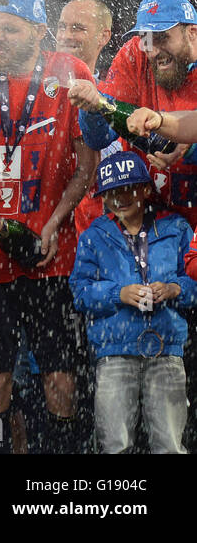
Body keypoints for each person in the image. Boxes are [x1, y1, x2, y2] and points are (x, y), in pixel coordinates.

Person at [0, 0, 97, 454]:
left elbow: (86, 164)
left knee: (60, 377)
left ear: (37, 31)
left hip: (52, 255)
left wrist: (54, 223)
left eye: (9, 29)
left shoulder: (69, 73)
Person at [68, 0, 197, 443]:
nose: (153, 48)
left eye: (163, 38)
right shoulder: (134, 55)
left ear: (192, 33)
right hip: (153, 219)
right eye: (147, 39)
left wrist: (172, 128)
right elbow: (103, 125)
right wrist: (94, 107)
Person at [70, 149, 196, 453]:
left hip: (166, 350)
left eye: (128, 188)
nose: (120, 198)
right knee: (115, 445)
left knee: (169, 443)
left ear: (145, 189)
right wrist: (118, 294)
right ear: (102, 197)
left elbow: (193, 283)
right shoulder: (93, 236)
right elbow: (79, 292)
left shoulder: (176, 228)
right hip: (113, 353)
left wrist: (174, 289)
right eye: (111, 192)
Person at [57, 0, 113, 79]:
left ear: (103, 37)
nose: (66, 36)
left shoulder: (108, 91)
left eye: (77, 28)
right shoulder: (34, 81)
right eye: (62, 27)